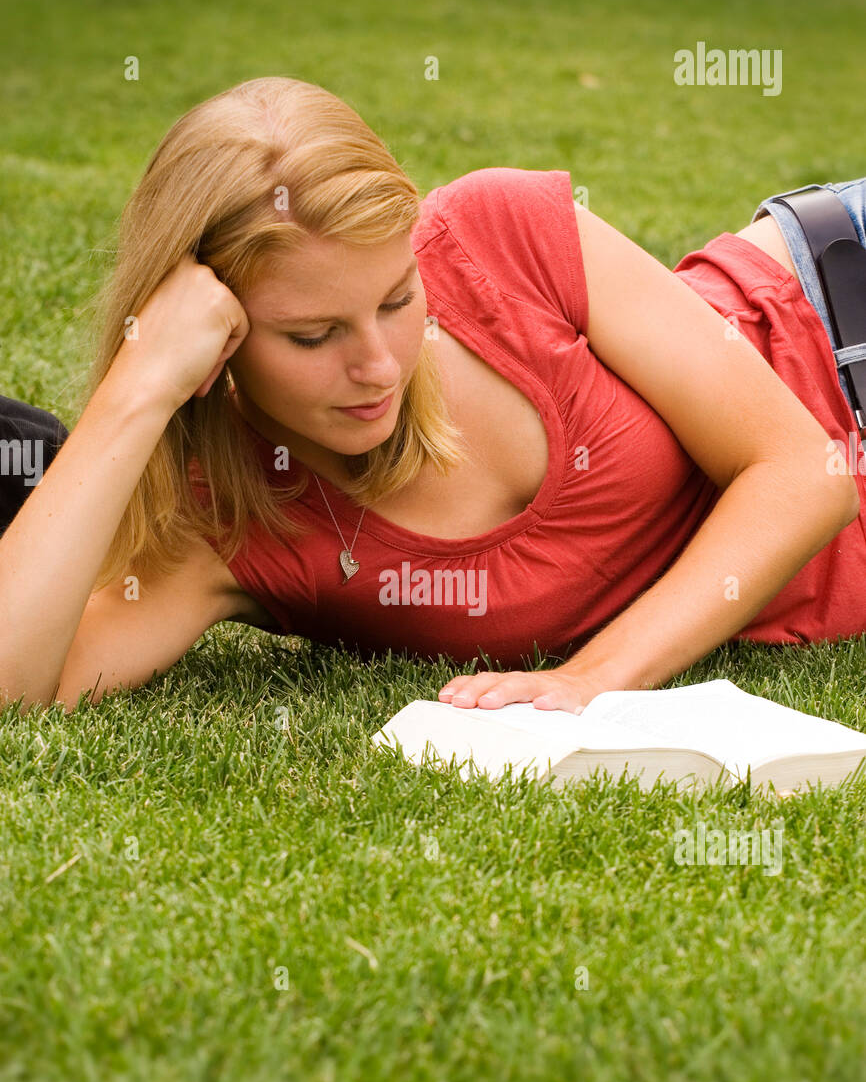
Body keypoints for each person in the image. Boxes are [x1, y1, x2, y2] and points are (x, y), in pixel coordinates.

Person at [0, 75, 861, 717]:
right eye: (313, 335)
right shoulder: (224, 527)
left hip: (840, 303)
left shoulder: (502, 231)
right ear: (215, 334)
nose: (379, 363)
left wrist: (595, 678)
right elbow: (16, 689)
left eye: (398, 299)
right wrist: (139, 384)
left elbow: (805, 469)